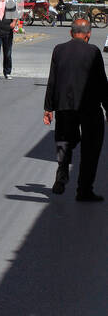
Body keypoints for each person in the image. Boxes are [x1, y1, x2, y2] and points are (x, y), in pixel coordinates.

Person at [43, 15, 108, 201]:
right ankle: (84, 190)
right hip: (89, 107)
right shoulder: (93, 52)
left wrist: (48, 108)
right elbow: (102, 83)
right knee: (91, 148)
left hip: (64, 106)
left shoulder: (59, 50)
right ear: (88, 35)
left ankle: (62, 171)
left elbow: (52, 80)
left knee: (64, 140)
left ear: (71, 33)